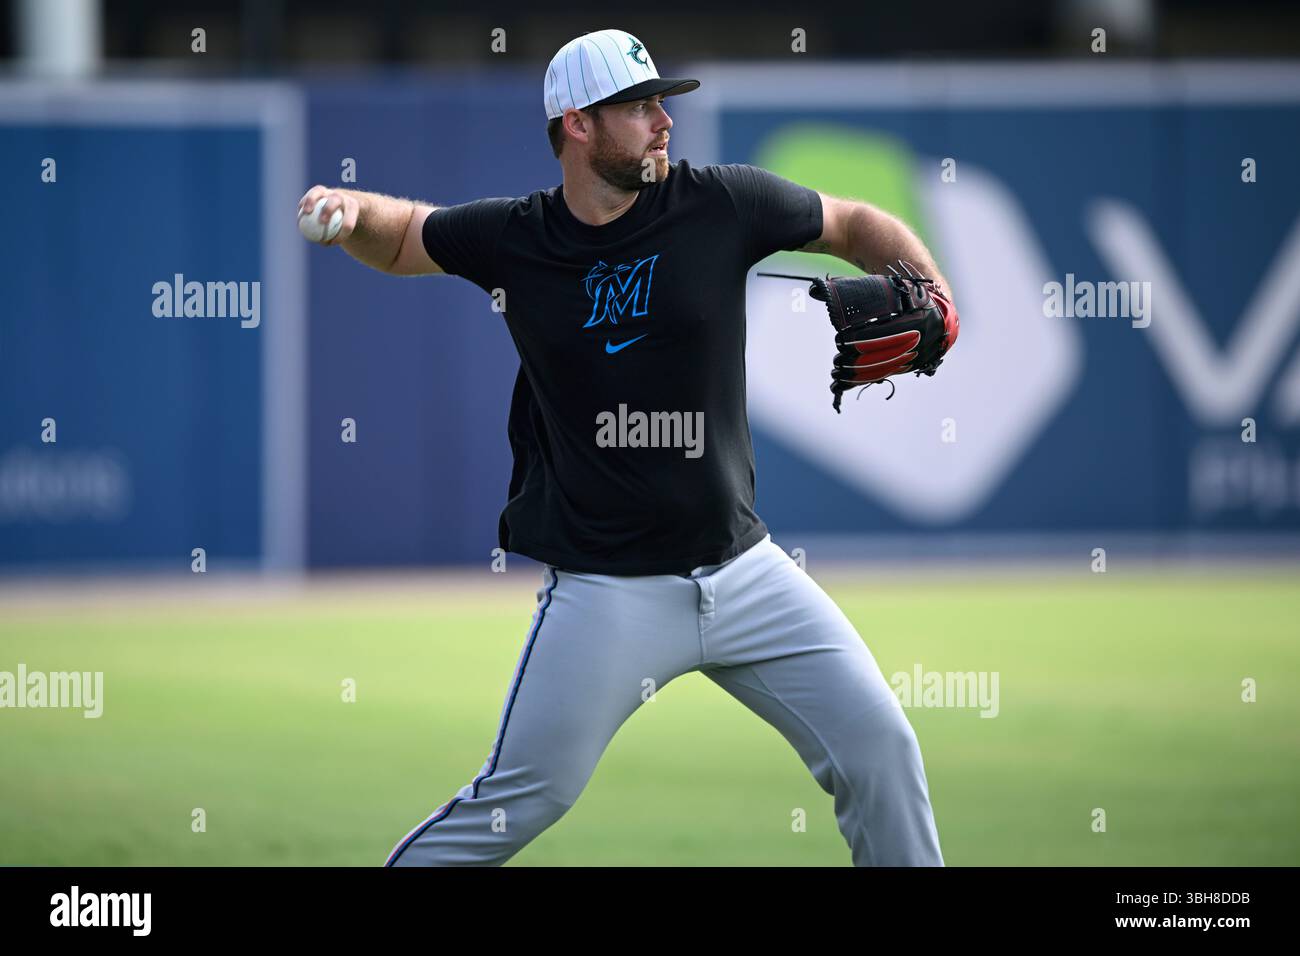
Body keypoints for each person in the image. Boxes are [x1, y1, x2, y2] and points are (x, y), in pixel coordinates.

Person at [297, 28, 949, 867]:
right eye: (638, 106)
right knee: (518, 801)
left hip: (745, 573)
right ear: (576, 124)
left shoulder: (723, 203)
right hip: (607, 592)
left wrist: (929, 286)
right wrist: (351, 211)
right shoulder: (517, 238)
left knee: (882, 748)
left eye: (662, 103)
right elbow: (403, 235)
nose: (662, 121)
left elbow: (854, 221)